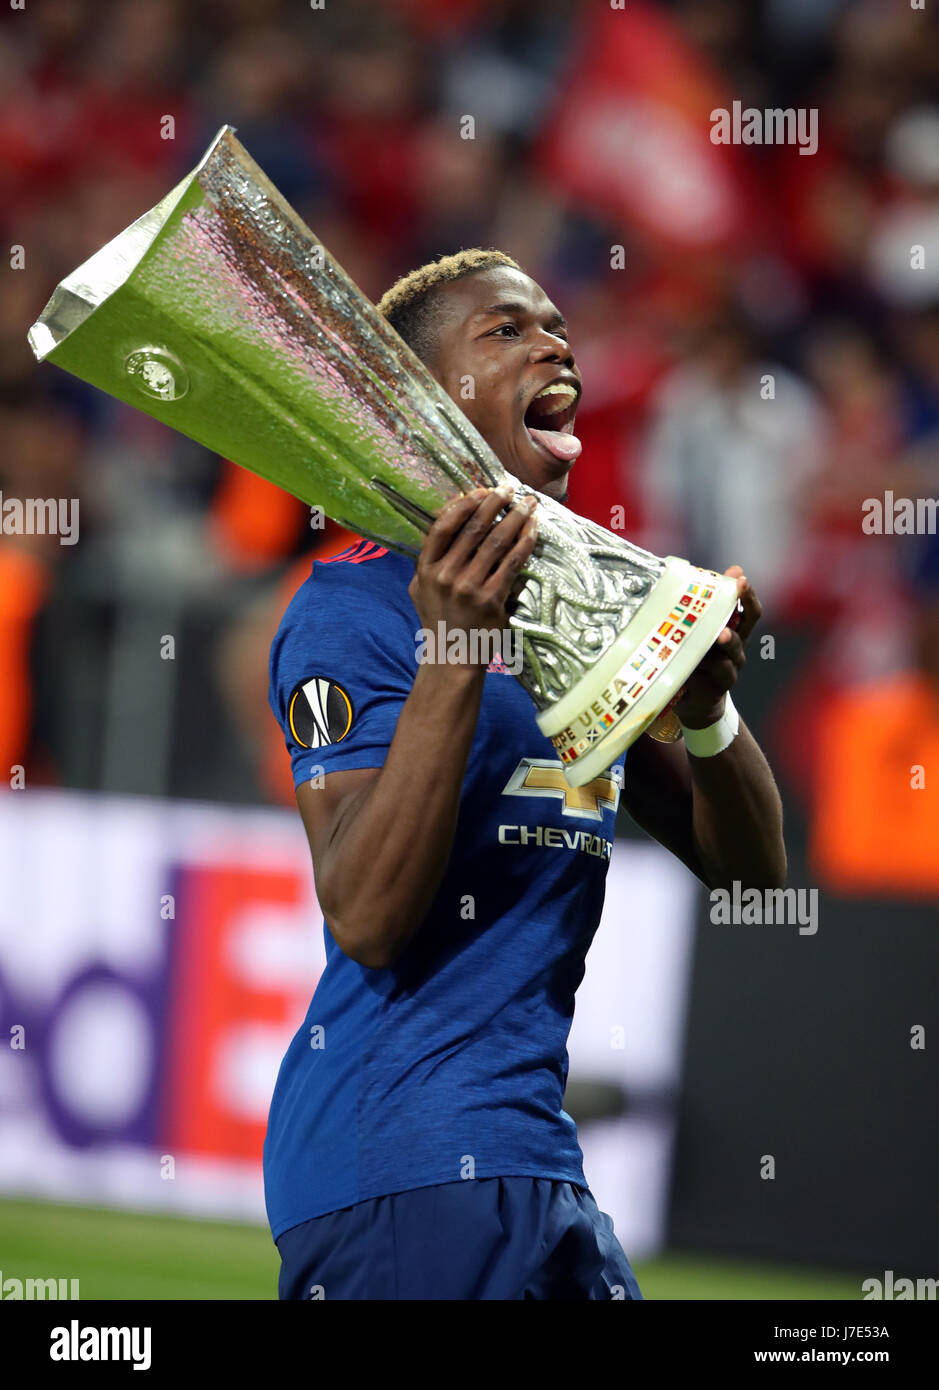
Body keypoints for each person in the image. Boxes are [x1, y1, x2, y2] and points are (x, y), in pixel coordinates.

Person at [265, 249, 786, 1300]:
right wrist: (454, 651)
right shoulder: (349, 609)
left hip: (532, 1160)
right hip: (400, 1165)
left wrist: (707, 708)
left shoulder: (574, 613)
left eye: (555, 326)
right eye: (505, 331)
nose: (556, 344)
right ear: (423, 398)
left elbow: (756, 885)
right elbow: (365, 913)